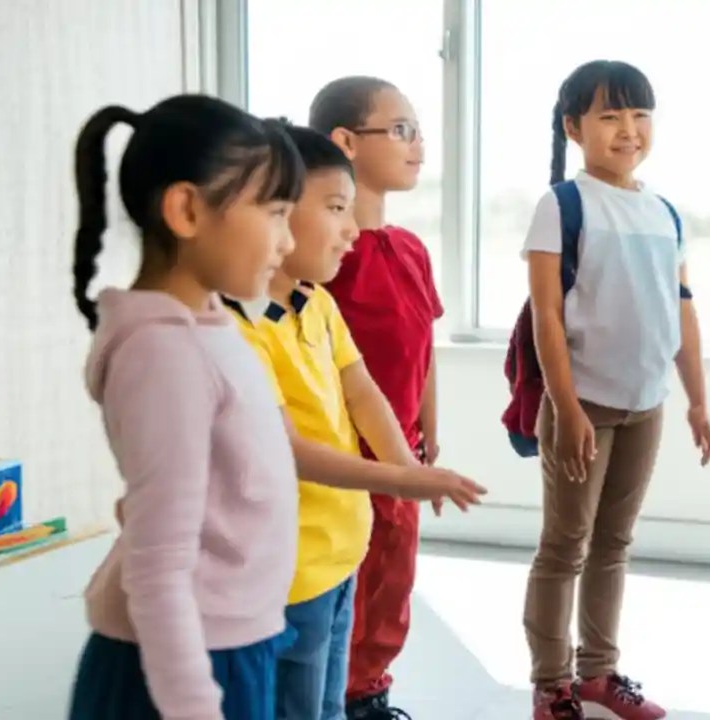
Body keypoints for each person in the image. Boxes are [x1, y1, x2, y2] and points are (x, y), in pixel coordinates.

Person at [223, 121, 485, 720]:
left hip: (341, 551)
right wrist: (400, 480)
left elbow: (363, 392)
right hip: (288, 572)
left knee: (331, 704)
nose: (350, 229)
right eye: (336, 208)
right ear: (272, 213)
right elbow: (286, 448)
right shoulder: (235, 328)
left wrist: (404, 465)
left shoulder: (315, 304)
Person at [65, 95, 304, 720]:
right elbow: (158, 566)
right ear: (188, 209)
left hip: (228, 643)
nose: (288, 240)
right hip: (179, 666)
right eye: (276, 212)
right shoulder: (162, 354)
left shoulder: (206, 325)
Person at [522, 59, 710, 720]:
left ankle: (598, 674)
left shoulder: (664, 211)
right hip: (585, 405)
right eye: (609, 116)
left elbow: (682, 307)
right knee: (564, 545)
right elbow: (547, 314)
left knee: (613, 544)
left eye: (638, 115)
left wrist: (698, 399)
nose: (627, 129)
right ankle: (552, 686)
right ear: (575, 127)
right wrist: (568, 407)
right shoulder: (562, 204)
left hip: (646, 405)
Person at [307, 76, 441, 720]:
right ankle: (339, 698)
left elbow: (424, 343)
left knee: (394, 582)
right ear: (346, 143)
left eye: (417, 130)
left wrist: (426, 430)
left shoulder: (410, 248)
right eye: (401, 130)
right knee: (347, 590)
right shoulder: (327, 260)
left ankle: (371, 692)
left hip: (403, 452)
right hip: (345, 464)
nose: (418, 144)